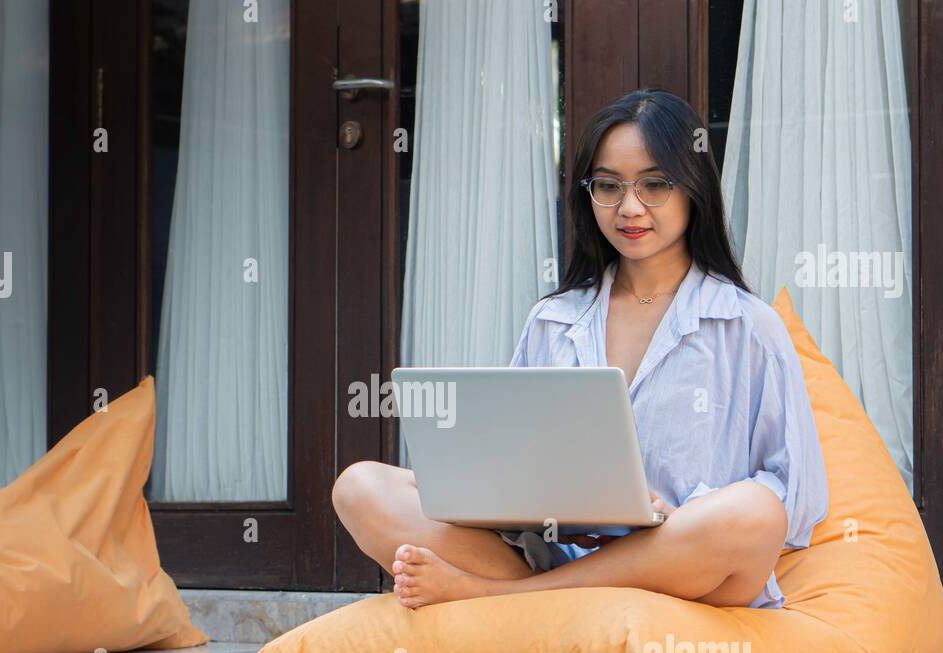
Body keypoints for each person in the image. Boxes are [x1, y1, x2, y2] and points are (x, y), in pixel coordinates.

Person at [333, 88, 828, 611]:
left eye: (655, 184)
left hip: (679, 574)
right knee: (359, 487)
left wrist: (676, 516)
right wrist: (546, 510)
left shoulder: (747, 325)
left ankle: (495, 599)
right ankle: (536, 597)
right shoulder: (554, 320)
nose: (629, 207)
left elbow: (795, 501)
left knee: (757, 512)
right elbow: (509, 462)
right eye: (608, 186)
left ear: (694, 189)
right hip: (552, 551)